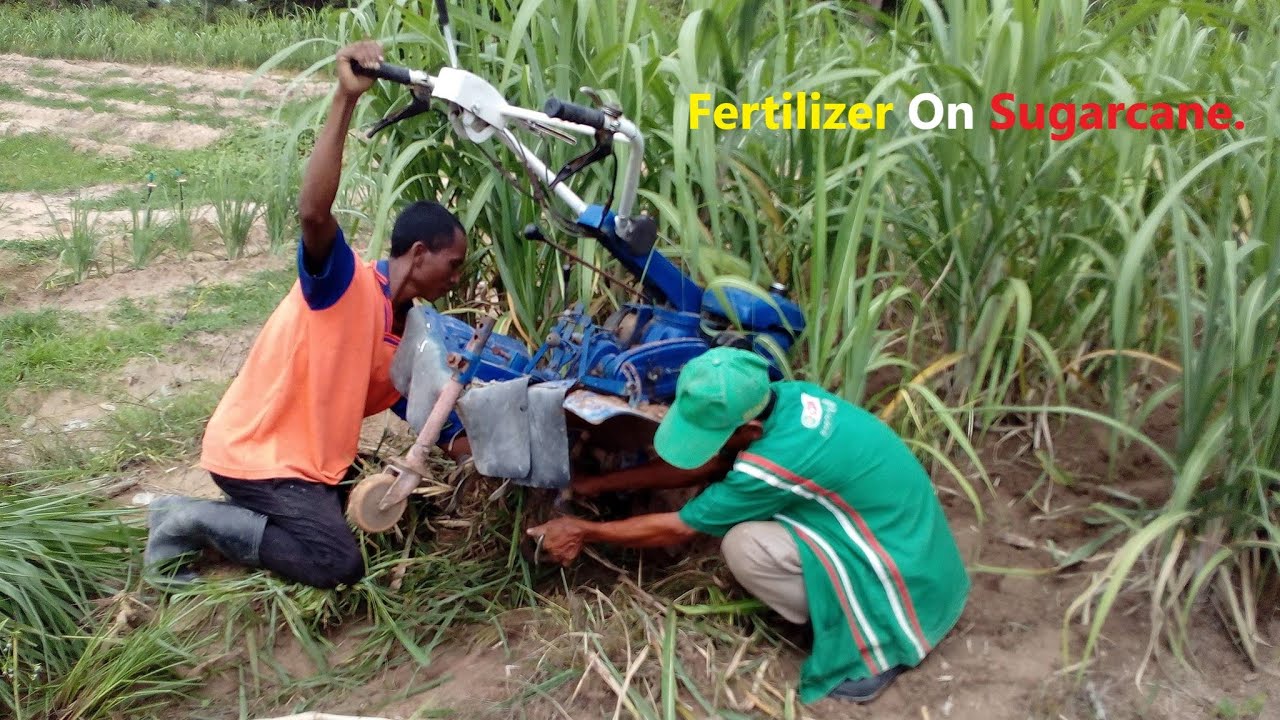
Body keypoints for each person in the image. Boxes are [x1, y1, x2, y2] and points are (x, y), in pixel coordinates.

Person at [144, 40, 469, 589]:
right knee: (336, 563)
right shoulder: (344, 283)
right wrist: (346, 99)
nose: (456, 279)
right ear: (418, 254)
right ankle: (187, 518)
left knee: (396, 509)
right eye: (453, 264)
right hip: (259, 456)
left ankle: (263, 518)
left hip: (310, 468)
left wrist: (484, 463)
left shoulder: (409, 334)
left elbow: (435, 424)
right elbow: (313, 212)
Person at [527, 347, 970, 704]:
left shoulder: (772, 464)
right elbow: (705, 467)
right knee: (747, 522)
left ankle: (871, 650)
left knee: (742, 544)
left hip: (903, 578)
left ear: (751, 429)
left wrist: (586, 531)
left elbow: (679, 528)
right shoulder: (788, 397)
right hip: (910, 538)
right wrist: (602, 485)